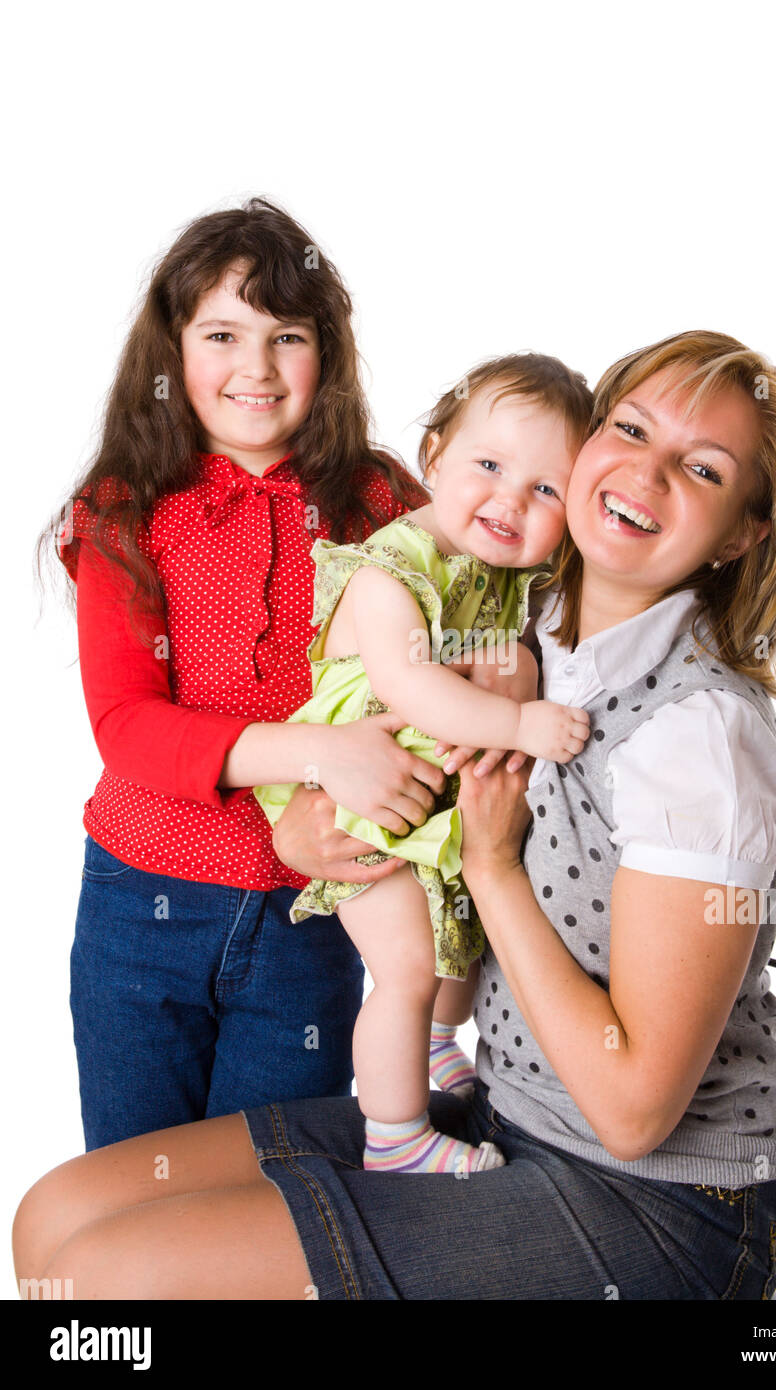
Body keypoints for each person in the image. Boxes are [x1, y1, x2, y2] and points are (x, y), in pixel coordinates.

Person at [14, 329, 776, 1300]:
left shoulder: (700, 740)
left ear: (739, 533)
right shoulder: (510, 616)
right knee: (55, 1215)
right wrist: (307, 824)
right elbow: (375, 730)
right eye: (629, 428)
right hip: (510, 1115)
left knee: (109, 1280)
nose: (645, 473)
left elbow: (634, 1113)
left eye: (700, 466)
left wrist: (491, 867)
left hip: (655, 1203)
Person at [42, 197, 448, 1150]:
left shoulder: (377, 499)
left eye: (288, 336)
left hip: (313, 915)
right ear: (172, 352)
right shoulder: (125, 507)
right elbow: (130, 729)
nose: (256, 369)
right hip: (140, 913)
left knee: (272, 1196)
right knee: (132, 1190)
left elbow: (464, 647)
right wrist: (319, 754)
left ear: (328, 357)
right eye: (222, 334)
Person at [253, 354, 593, 1174]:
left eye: (547, 489)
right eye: (489, 465)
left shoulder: (506, 577)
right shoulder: (389, 568)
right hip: (357, 803)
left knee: (458, 942)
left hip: (425, 800)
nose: (511, 500)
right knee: (404, 967)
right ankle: (395, 1137)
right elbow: (414, 683)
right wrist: (520, 717)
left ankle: (439, 1043)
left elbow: (492, 649)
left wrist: (511, 654)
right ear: (433, 454)